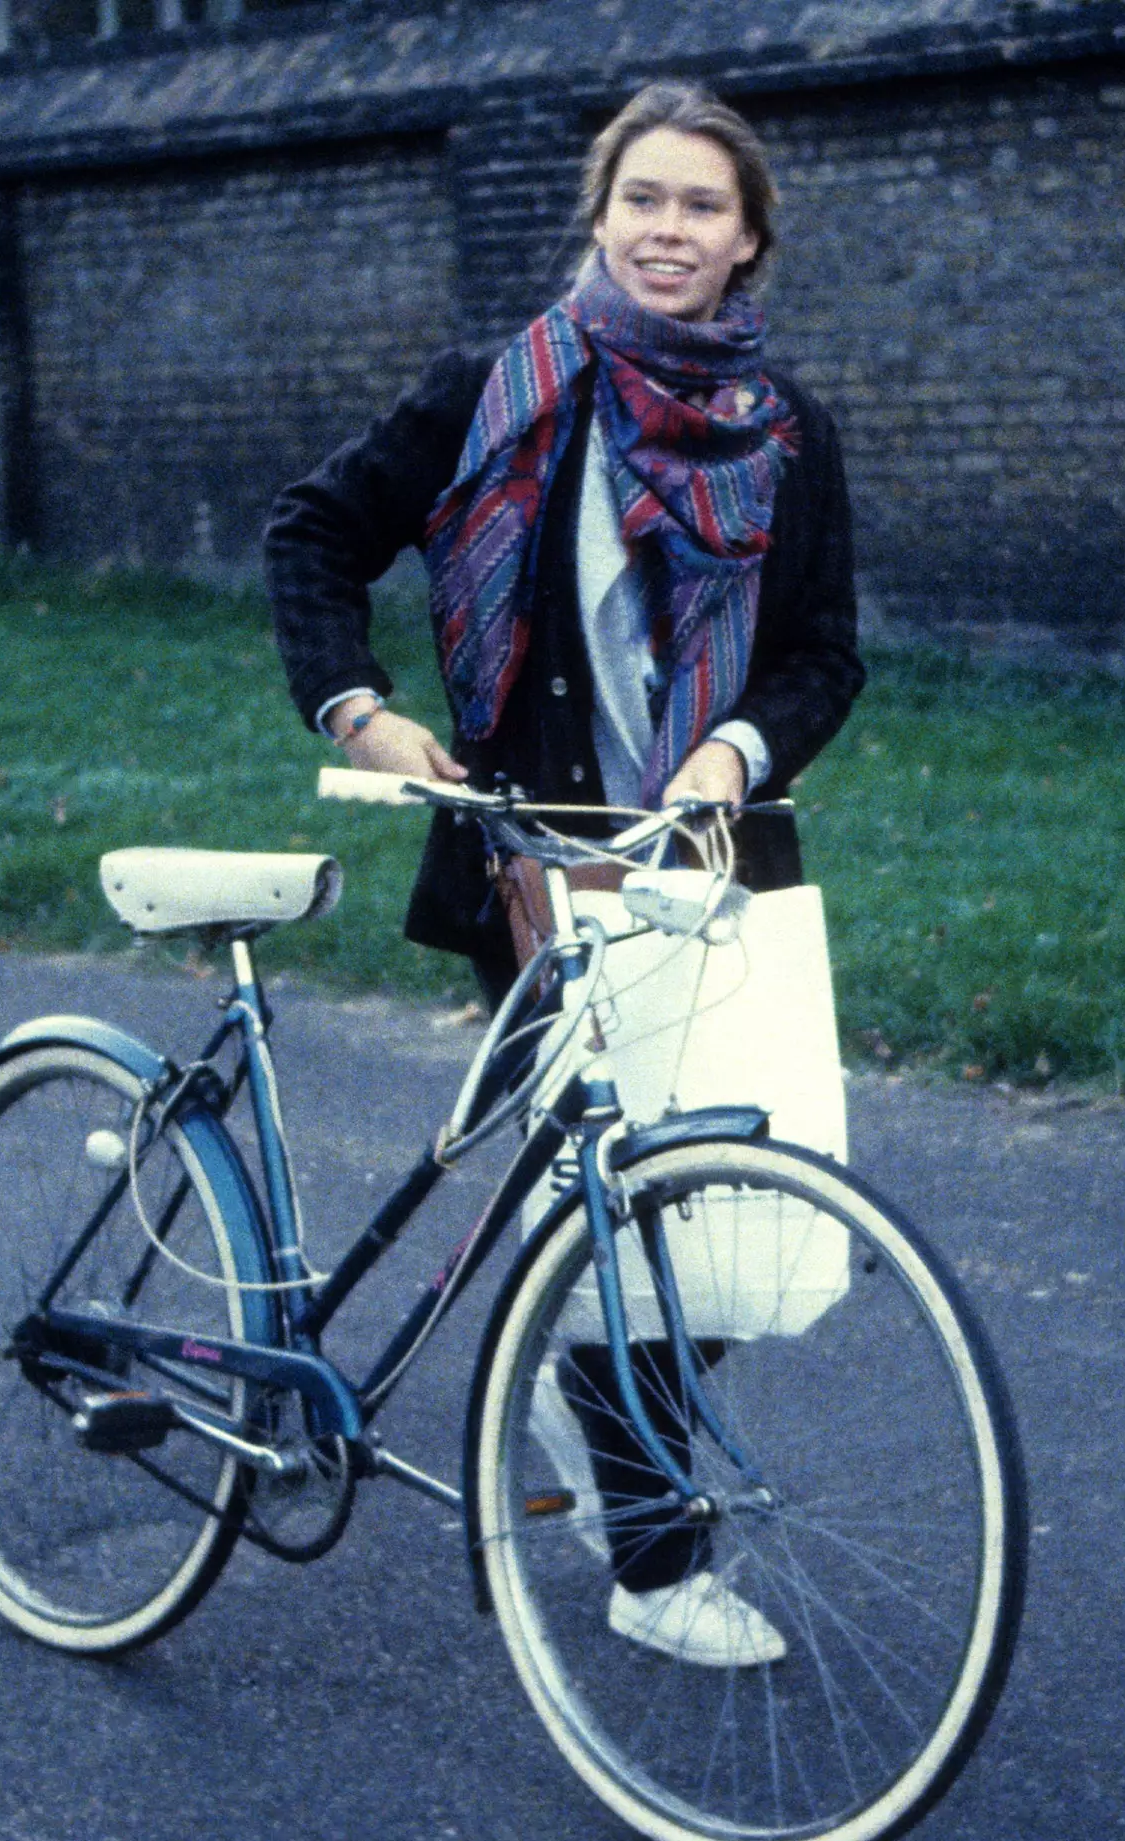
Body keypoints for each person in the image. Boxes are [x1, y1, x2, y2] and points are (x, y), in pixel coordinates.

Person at [267, 80, 863, 1666]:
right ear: (600, 214)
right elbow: (313, 532)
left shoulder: (789, 431)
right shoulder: (497, 390)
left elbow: (822, 655)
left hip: (704, 854)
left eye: (704, 209)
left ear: (750, 243)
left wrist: (742, 748)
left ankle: (576, 1385)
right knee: (619, 1207)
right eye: (644, 200)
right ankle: (656, 1567)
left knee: (754, 1217)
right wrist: (360, 709)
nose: (670, 232)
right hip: (530, 859)